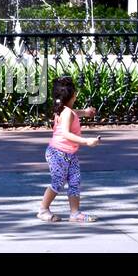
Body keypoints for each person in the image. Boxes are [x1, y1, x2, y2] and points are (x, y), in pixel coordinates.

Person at [37, 75, 100, 223]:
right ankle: (43, 210)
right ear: (73, 95)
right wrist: (86, 141)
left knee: (74, 181)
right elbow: (66, 133)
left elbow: (73, 113)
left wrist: (85, 112)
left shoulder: (65, 110)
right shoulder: (66, 113)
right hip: (58, 154)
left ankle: (75, 213)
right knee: (58, 181)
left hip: (69, 154)